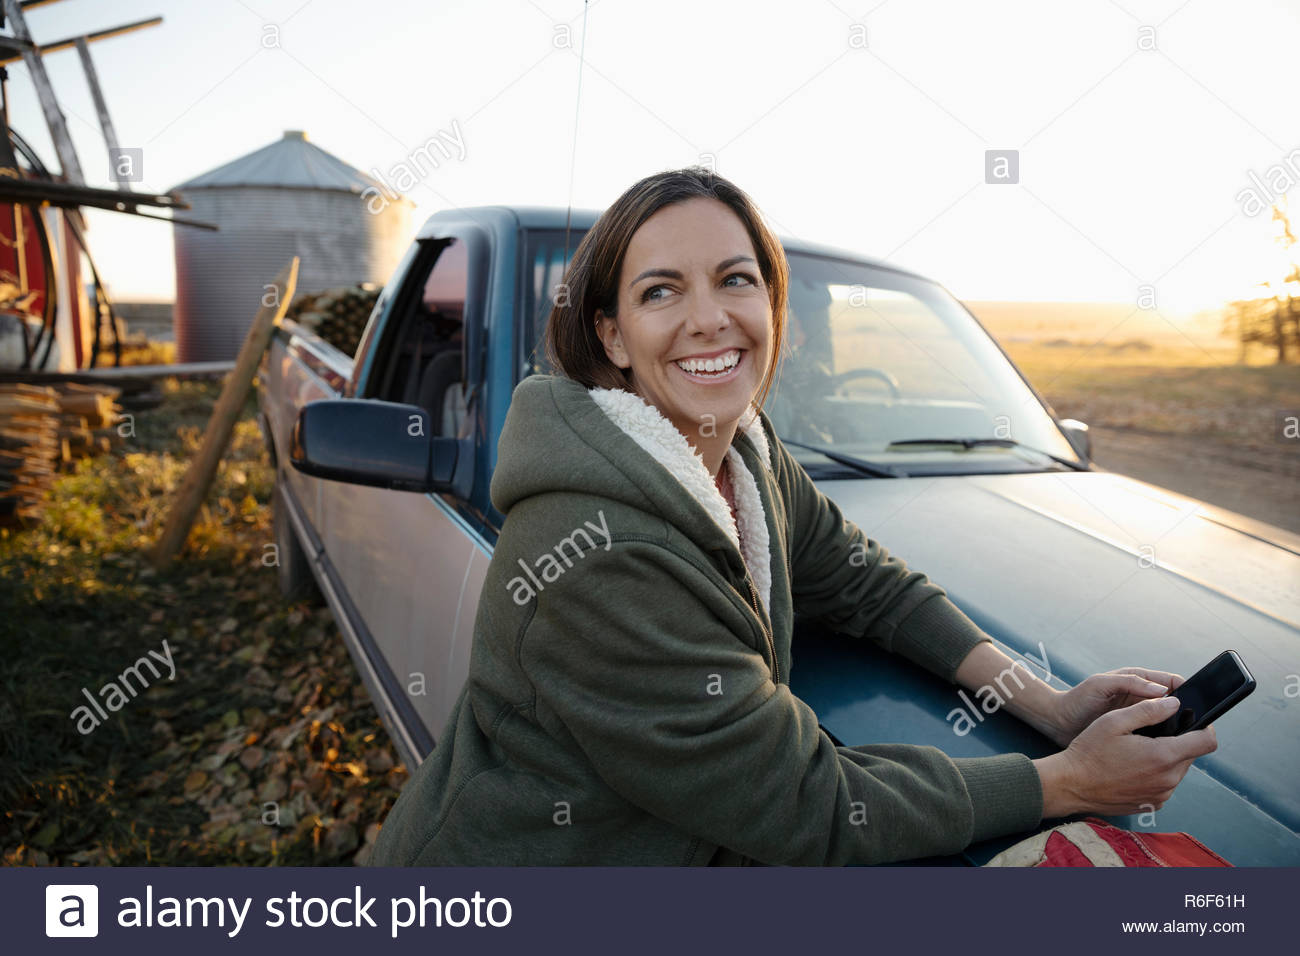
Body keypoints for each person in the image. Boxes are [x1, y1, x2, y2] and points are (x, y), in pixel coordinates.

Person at [370, 167, 1217, 866]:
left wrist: (1050, 704)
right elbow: (803, 801)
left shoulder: (743, 447)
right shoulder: (595, 550)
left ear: (773, 309)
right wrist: (1068, 782)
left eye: (736, 279)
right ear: (613, 336)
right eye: (661, 290)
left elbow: (861, 582)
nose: (710, 317)